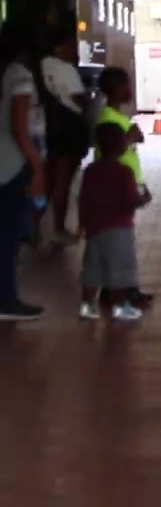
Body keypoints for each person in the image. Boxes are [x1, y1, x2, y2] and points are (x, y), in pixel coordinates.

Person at [78, 122, 149, 321]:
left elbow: (83, 199)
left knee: (92, 270)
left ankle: (86, 306)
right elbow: (130, 200)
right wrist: (144, 198)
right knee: (119, 272)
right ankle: (120, 308)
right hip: (119, 229)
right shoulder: (124, 172)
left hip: (95, 229)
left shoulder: (91, 171)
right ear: (122, 145)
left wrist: (83, 223)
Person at [94, 67, 152, 307]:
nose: (130, 90)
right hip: (114, 187)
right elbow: (112, 150)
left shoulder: (117, 116)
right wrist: (130, 137)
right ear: (117, 90)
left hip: (124, 183)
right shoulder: (108, 118)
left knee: (122, 241)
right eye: (126, 85)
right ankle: (119, 290)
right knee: (118, 242)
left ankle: (120, 288)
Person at [0, 27, 46, 320]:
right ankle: (6, 300)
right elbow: (20, 129)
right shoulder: (20, 76)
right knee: (9, 234)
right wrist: (37, 165)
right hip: (13, 163)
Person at [36, 29, 91, 244]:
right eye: (69, 45)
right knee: (63, 180)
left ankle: (34, 227)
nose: (73, 50)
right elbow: (79, 99)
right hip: (69, 127)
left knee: (48, 180)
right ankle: (58, 227)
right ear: (57, 47)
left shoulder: (41, 66)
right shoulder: (66, 69)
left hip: (48, 126)